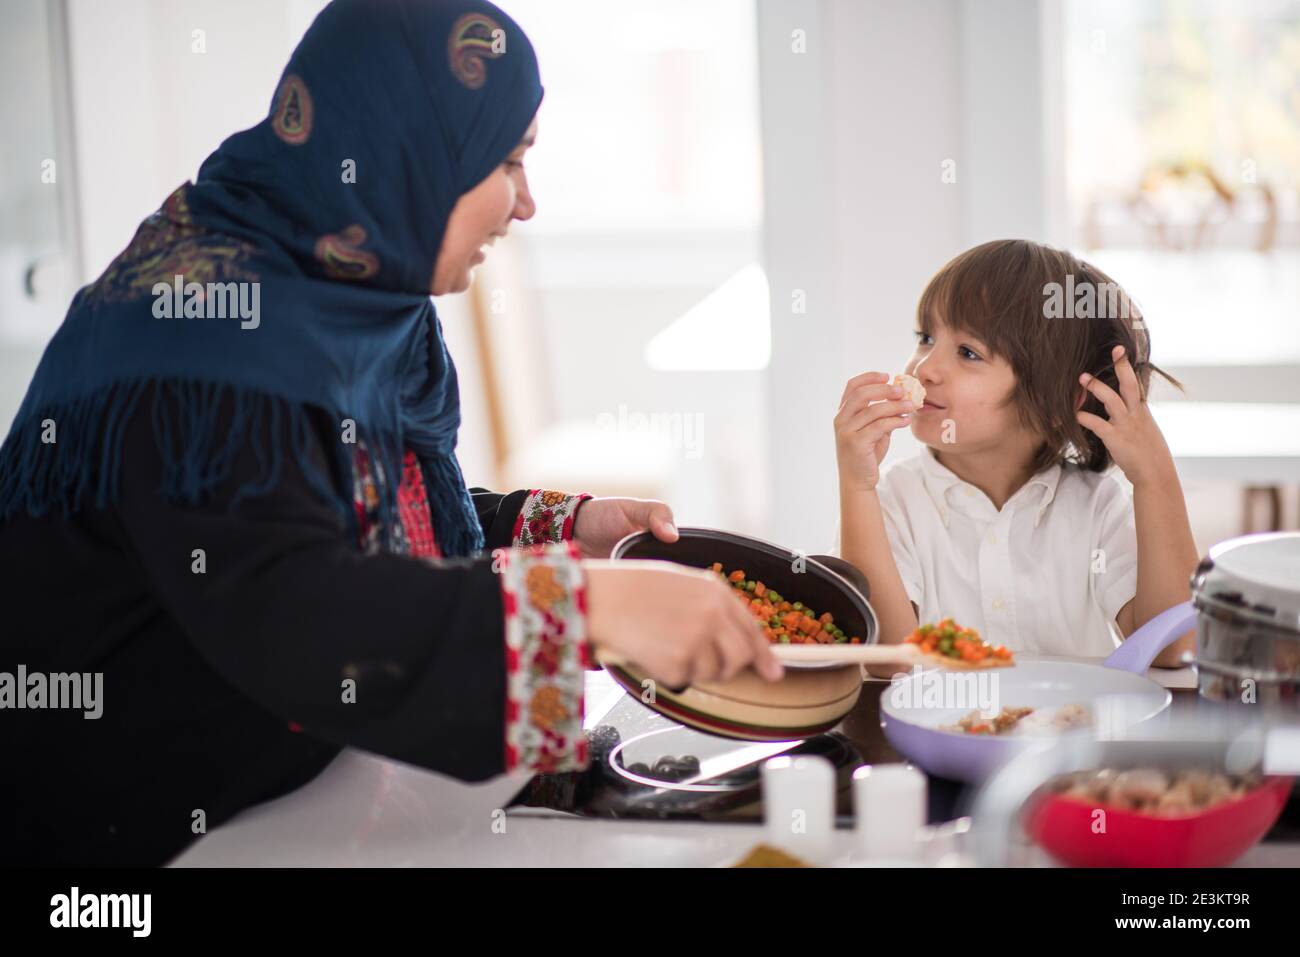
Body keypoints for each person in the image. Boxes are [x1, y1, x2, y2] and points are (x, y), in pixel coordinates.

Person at [0, 0, 781, 867]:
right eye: (509, 161)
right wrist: (587, 609)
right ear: (413, 155)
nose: (526, 204)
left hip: (289, 788)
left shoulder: (350, 287)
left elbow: (358, 523)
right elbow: (303, 609)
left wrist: (560, 528)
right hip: (130, 836)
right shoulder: (202, 340)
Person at [834, 239, 1199, 664]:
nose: (924, 368)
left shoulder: (1097, 507)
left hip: (1072, 728)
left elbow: (1172, 649)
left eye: (968, 352)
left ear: (1061, 400)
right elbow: (889, 661)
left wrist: (1156, 479)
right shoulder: (892, 501)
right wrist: (857, 486)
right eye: (926, 337)